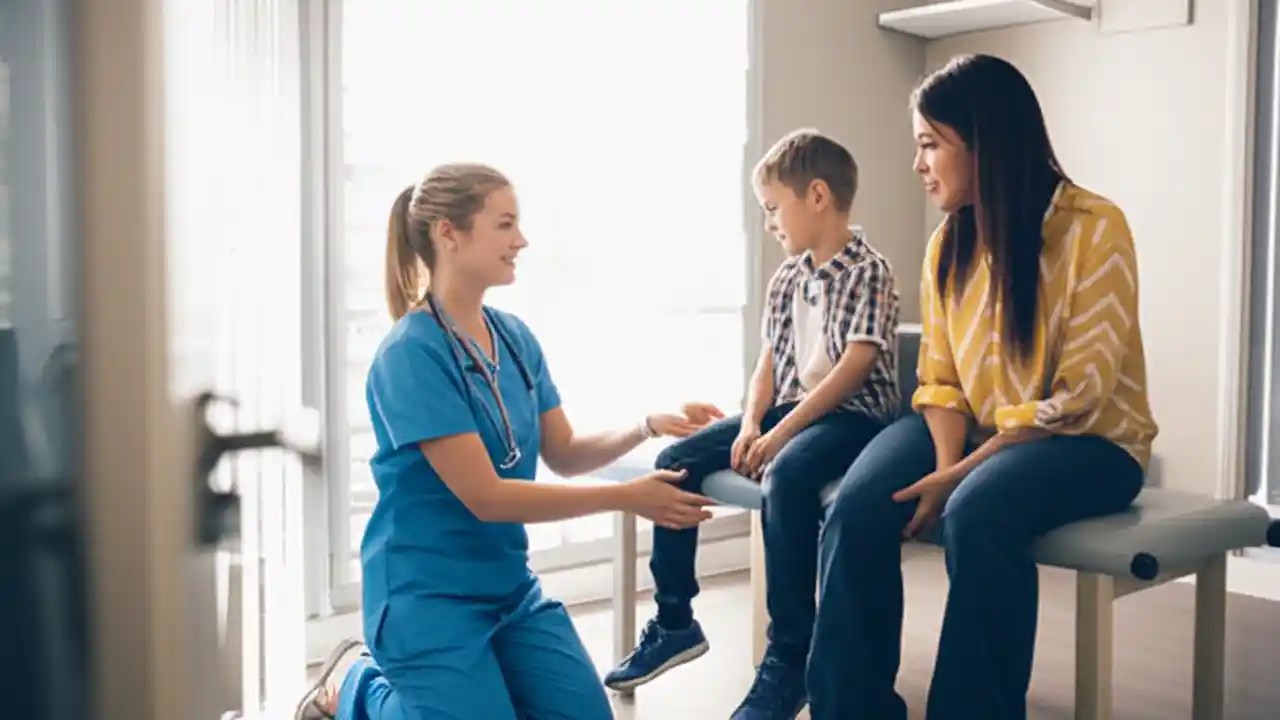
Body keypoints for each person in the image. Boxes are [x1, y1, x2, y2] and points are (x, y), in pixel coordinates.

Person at [296, 163, 727, 720]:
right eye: (504, 224)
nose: (520, 240)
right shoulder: (410, 355)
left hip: (507, 589)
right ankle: (354, 688)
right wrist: (628, 497)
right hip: (424, 596)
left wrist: (646, 424)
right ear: (449, 234)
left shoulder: (515, 339)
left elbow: (565, 452)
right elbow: (488, 497)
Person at [804, 54, 1159, 720]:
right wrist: (945, 466)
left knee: (979, 510)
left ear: (986, 140)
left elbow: (1077, 395)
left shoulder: (1094, 228)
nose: (918, 163)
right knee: (855, 507)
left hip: (1089, 442)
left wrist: (961, 477)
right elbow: (938, 379)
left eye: (929, 144)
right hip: (969, 430)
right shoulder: (947, 245)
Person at [604, 129, 901, 720]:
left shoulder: (868, 271)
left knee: (787, 473)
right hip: (790, 411)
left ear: (816, 196)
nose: (769, 222)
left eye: (772, 208)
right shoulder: (787, 277)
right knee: (675, 461)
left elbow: (854, 368)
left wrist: (779, 436)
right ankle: (674, 620)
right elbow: (768, 364)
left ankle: (789, 658)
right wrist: (751, 424)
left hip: (854, 418)